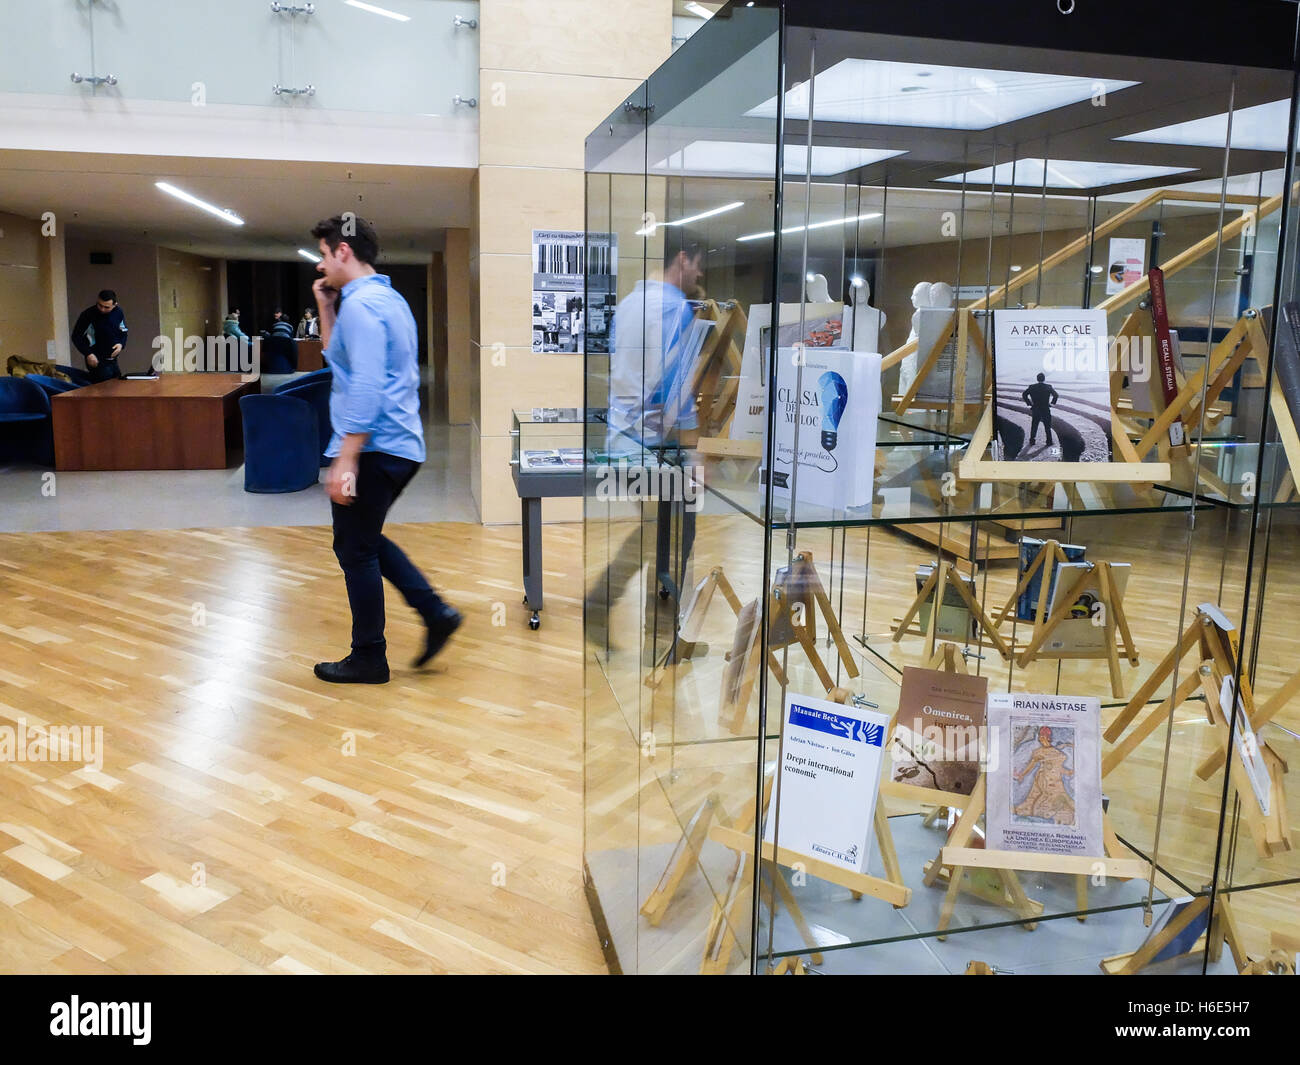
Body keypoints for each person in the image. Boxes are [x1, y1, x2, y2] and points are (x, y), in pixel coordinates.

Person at [309, 213, 461, 684]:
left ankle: (370, 656)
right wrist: (325, 307)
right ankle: (435, 613)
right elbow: (342, 361)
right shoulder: (383, 299)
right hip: (398, 445)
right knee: (364, 540)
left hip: (377, 446)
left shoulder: (364, 306)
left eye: (323, 255)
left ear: (343, 251)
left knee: (354, 548)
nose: (321, 266)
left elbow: (368, 386)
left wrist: (346, 456)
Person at [588, 234, 706, 664]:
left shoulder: (630, 304)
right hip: (656, 444)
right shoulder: (674, 309)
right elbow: (675, 386)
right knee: (674, 536)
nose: (698, 275)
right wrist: (694, 451)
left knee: (663, 533)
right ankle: (651, 629)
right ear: (682, 257)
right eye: (696, 265)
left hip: (623, 439)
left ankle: (663, 633)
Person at [71, 290, 128, 383]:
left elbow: (123, 331)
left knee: (118, 383)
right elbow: (76, 336)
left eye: (107, 307)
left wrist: (121, 344)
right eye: (100, 305)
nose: (102, 309)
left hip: (112, 359)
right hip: (96, 358)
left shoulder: (118, 312)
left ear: (115, 305)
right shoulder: (88, 314)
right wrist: (88, 354)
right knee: (105, 385)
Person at [1022, 371, 1060, 447]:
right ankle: (1049, 441)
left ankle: (1032, 440)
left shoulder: (1032, 387)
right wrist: (1051, 404)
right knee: (1047, 426)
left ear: (1037, 379)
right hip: (1045, 408)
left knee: (1034, 425)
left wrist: (1029, 403)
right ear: (1044, 379)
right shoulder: (1048, 387)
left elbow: (1024, 394)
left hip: (1036, 408)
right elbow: (1056, 395)